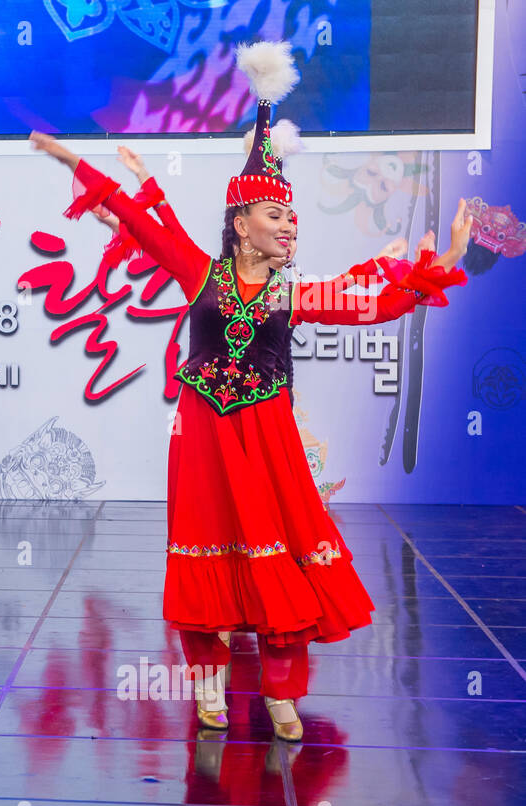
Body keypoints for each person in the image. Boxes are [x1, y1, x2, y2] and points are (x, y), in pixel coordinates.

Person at [31, 41, 470, 741]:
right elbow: (146, 222)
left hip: (267, 438)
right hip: (202, 434)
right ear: (240, 223)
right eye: (276, 218)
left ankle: (279, 692)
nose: (289, 228)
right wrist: (72, 160)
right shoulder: (200, 274)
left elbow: (370, 301)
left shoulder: (296, 293)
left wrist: (438, 265)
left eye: (294, 220)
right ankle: (207, 686)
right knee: (203, 554)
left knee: (282, 558)